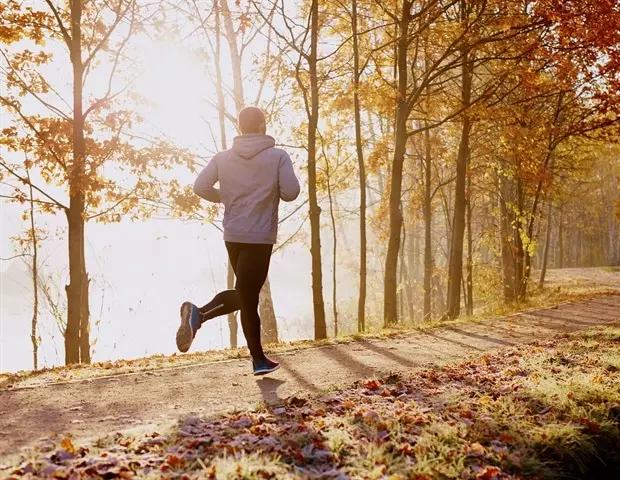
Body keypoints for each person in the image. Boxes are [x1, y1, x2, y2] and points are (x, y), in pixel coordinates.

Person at [175, 106, 300, 376]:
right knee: (248, 295)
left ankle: (254, 357)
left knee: (246, 294)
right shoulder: (278, 157)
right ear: (263, 126)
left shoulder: (223, 158)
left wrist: (229, 196)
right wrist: (268, 190)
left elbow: (200, 187)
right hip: (259, 235)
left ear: (241, 128)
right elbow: (291, 192)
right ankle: (203, 316)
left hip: (233, 234)